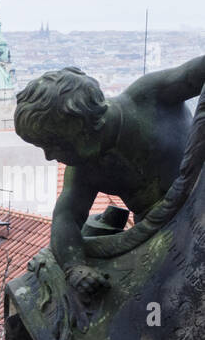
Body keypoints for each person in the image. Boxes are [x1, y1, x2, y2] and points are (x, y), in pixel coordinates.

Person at [14, 57, 205, 298]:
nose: (50, 156)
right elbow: (66, 216)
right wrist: (75, 268)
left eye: (54, 144)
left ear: (78, 125)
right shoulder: (85, 167)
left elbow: (195, 73)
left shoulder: (149, 96)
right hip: (165, 241)